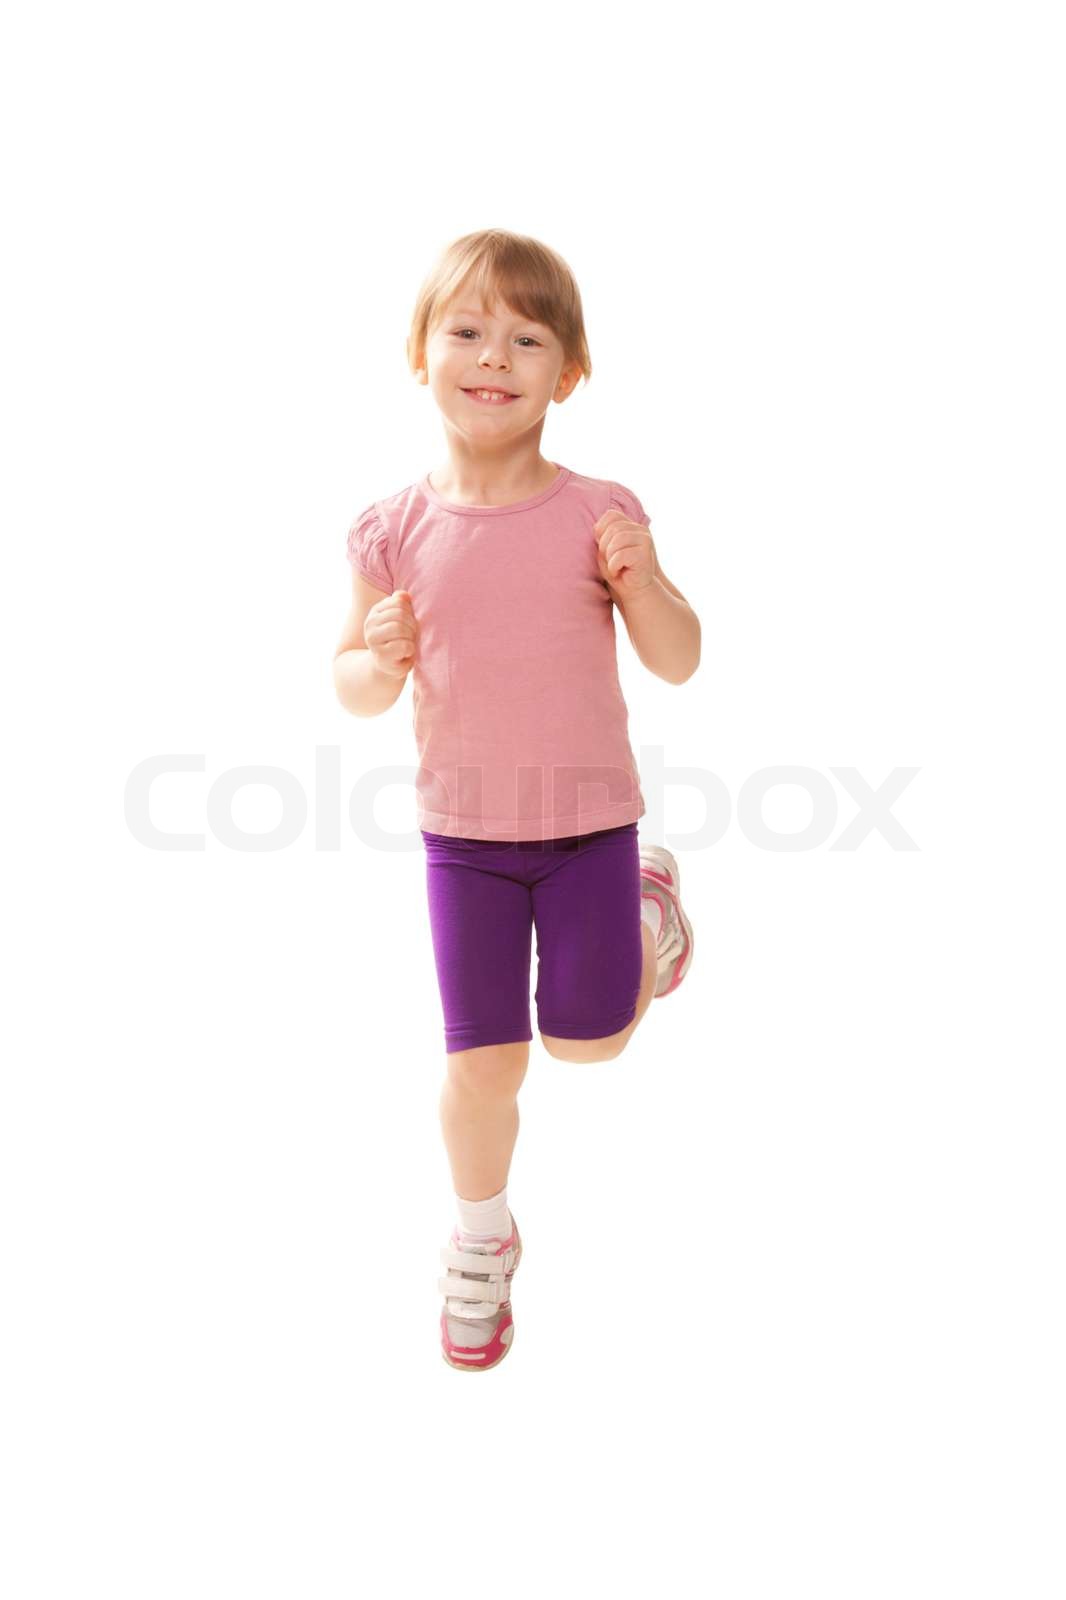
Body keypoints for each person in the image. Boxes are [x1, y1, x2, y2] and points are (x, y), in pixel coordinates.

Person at [333, 229, 700, 1372]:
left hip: (591, 827)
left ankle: (649, 912)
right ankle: (480, 1238)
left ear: (567, 374)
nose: (494, 355)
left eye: (527, 338)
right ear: (419, 352)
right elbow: (346, 683)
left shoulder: (599, 510)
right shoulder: (391, 530)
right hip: (465, 845)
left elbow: (679, 659)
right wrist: (378, 658)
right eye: (467, 330)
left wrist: (643, 581)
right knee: (482, 1065)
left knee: (588, 1044)